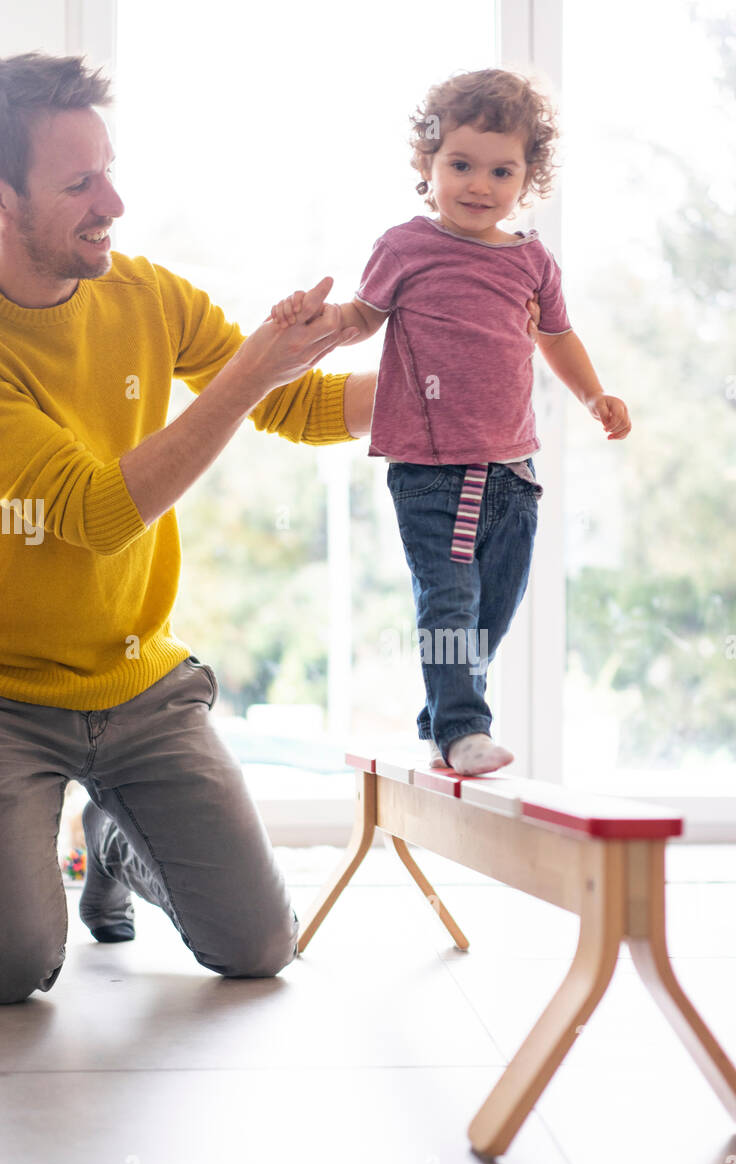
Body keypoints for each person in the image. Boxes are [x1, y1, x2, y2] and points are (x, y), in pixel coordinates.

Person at [0, 51, 374, 1004]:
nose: (113, 202)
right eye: (79, 182)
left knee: (258, 948)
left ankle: (117, 841)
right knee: (14, 968)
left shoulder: (150, 296)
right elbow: (94, 514)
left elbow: (303, 407)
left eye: (110, 169)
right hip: (9, 699)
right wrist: (256, 367)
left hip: (139, 686)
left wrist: (448, 388)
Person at [273, 68, 632, 775]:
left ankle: (441, 712)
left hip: (512, 467)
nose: (477, 184)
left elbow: (557, 337)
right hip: (430, 468)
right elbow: (361, 318)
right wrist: (320, 323)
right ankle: (463, 726)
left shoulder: (531, 261)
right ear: (426, 166)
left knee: (493, 603)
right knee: (449, 598)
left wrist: (594, 397)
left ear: (527, 178)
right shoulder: (405, 247)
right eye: (459, 165)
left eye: (500, 170)